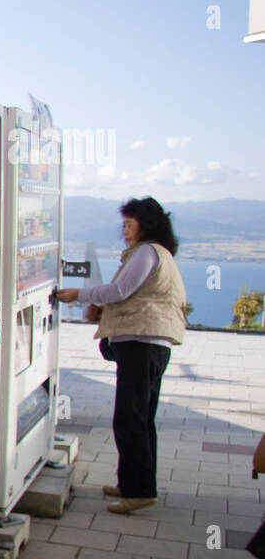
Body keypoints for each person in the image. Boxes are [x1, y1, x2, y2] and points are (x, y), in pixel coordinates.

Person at [57, 197, 187, 514]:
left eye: (130, 224)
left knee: (129, 419)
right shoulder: (161, 254)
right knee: (142, 418)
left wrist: (79, 293)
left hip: (141, 342)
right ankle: (133, 483)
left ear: (146, 225)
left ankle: (139, 491)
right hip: (152, 343)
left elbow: (119, 292)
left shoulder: (146, 252)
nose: (125, 231)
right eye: (124, 225)